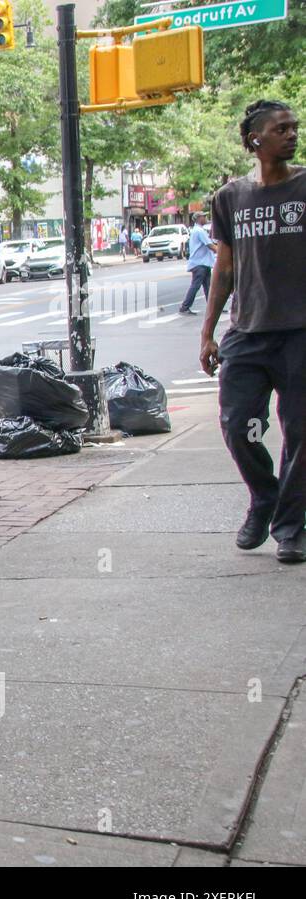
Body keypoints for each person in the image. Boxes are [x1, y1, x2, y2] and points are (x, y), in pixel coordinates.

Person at [199, 99, 305, 562]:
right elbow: (224, 268)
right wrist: (207, 333)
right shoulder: (230, 197)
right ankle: (265, 495)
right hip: (248, 331)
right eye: (281, 128)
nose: (291, 133)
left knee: (300, 433)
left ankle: (290, 527)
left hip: (301, 331)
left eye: (294, 127)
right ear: (254, 139)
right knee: (239, 425)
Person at [177, 212, 216, 315]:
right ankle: (185, 307)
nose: (206, 218)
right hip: (200, 264)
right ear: (199, 218)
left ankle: (212, 308)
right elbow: (210, 245)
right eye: (204, 216)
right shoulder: (199, 231)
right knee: (196, 286)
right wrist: (221, 252)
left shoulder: (198, 230)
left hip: (203, 263)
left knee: (208, 287)